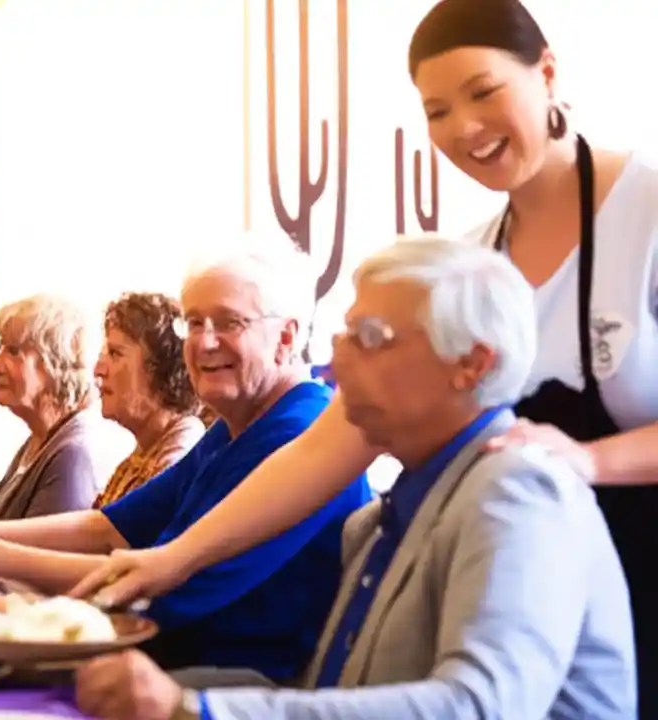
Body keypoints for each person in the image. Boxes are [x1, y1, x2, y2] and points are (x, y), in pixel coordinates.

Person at [73, 7, 658, 705]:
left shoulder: (647, 212)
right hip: (506, 575)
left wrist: (591, 461)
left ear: (549, 72)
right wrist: (173, 559)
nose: (465, 128)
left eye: (484, 91)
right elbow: (328, 446)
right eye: (437, 111)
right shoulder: (469, 260)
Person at [75, 238, 635, 720]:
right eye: (344, 337)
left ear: (471, 364)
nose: (338, 364)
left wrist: (197, 708)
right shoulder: (394, 514)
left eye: (370, 337)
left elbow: (478, 706)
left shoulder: (517, 493)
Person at [0, 244, 371, 676]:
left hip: (218, 679)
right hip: (159, 654)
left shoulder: (295, 427)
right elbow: (109, 528)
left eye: (228, 323)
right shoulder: (236, 422)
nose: (203, 342)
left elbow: (160, 586)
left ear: (286, 338)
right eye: (194, 323)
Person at [0, 294, 104, 520]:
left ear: (55, 362)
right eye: (0, 347)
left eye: (13, 351)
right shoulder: (38, 441)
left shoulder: (71, 457)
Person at [93, 292, 205, 507]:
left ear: (160, 368)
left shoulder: (180, 455)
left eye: (115, 354)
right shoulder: (145, 451)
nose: (99, 370)